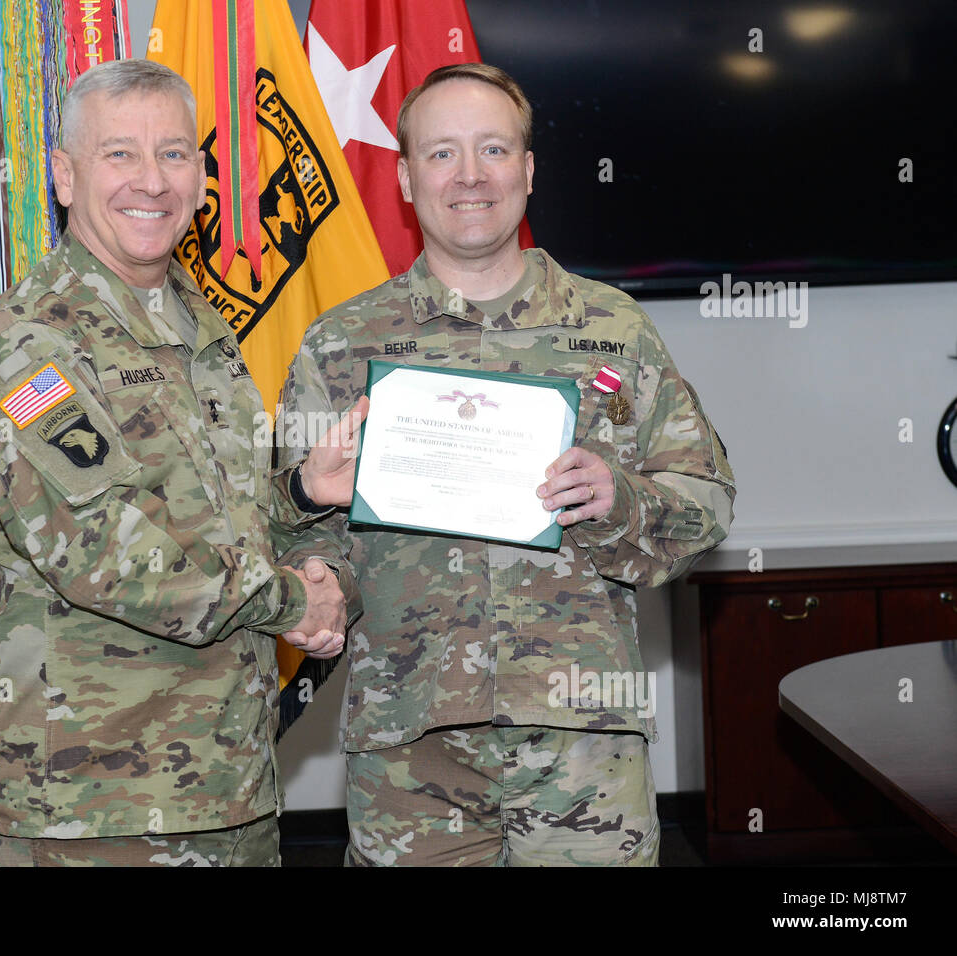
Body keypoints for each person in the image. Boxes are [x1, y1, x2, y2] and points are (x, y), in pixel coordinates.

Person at [274, 63, 736, 866]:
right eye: (443, 153)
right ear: (406, 177)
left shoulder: (614, 328)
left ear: (527, 169)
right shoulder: (341, 344)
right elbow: (296, 527)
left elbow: (708, 503)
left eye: (494, 149)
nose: (471, 176)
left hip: (583, 749)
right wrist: (317, 590)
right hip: (408, 749)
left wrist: (617, 498)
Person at [0, 59, 356, 867]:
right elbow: (108, 554)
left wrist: (300, 492)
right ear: (65, 175)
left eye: (173, 154)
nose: (151, 181)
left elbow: (206, 522)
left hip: (226, 785)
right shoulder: (25, 349)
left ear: (202, 176)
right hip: (93, 811)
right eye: (119, 154)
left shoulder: (200, 328)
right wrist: (291, 599)